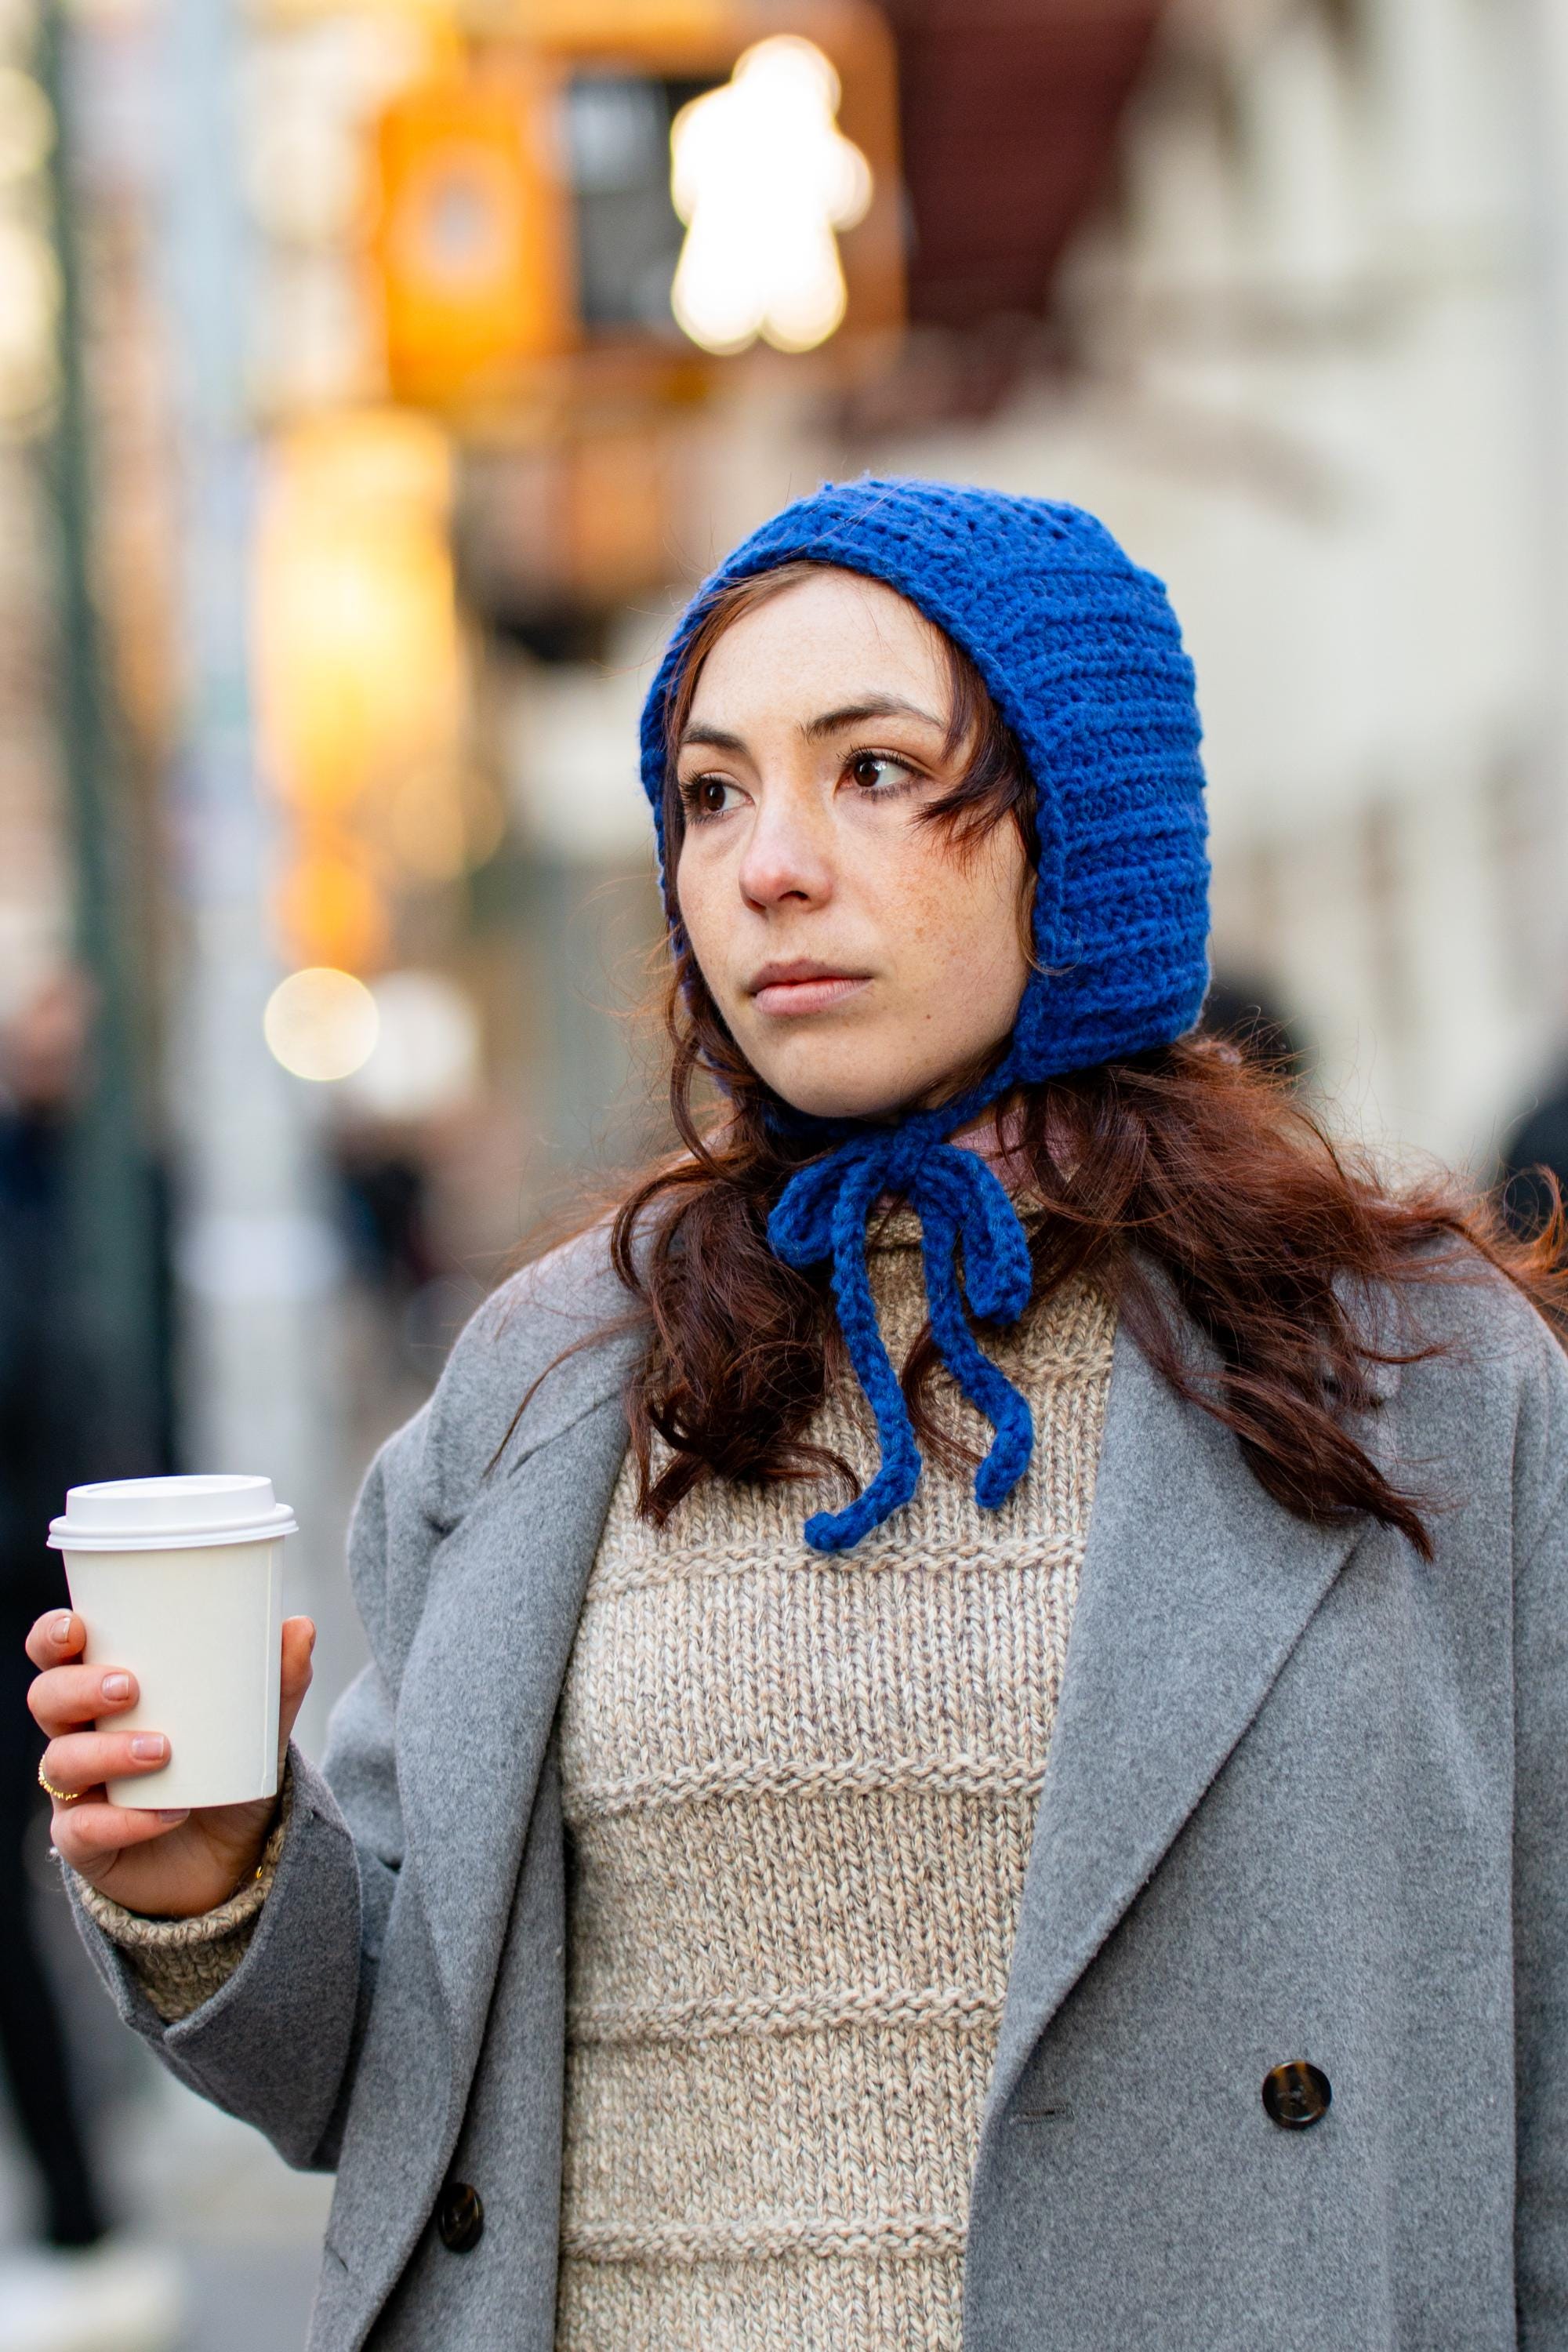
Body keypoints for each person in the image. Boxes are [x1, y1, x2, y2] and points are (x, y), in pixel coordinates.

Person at [21, 479, 1568, 2351]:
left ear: (1083, 829)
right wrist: (222, 1884)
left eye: (878, 771)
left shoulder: (1412, 1375)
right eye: (712, 790)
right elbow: (389, 2086)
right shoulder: (553, 1375)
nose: (766, 864)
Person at [0, 972, 182, 2352]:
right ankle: (76, 2208)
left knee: (104, 1865)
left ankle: (81, 2206)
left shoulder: (124, 1179)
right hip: (37, 1567)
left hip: (64, 1586)